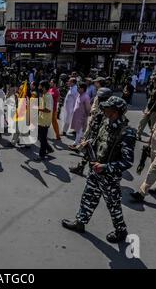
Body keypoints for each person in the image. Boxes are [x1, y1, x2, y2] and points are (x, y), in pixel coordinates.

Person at [62, 97, 136, 243]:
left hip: (109, 177)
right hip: (95, 170)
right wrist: (88, 144)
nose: (104, 109)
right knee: (88, 197)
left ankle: (121, 231)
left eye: (108, 107)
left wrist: (106, 167)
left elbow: (127, 162)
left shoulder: (127, 132)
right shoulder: (105, 122)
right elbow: (99, 142)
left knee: (113, 205)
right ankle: (80, 222)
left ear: (116, 111)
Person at [69, 88, 113, 176]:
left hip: (100, 138)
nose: (99, 100)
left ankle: (93, 174)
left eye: (101, 98)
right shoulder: (102, 107)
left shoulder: (109, 110)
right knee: (87, 152)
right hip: (93, 134)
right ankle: (81, 168)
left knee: (95, 157)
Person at [137, 76, 156, 141]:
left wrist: (150, 111)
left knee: (153, 126)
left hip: (154, 111)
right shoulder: (153, 88)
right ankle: (138, 135)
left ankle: (151, 139)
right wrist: (146, 108)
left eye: (153, 81)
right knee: (142, 122)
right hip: (148, 108)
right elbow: (150, 98)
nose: (152, 82)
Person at [69, 82, 91, 148]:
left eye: (79, 88)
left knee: (80, 131)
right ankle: (77, 144)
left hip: (82, 117)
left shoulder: (86, 97)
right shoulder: (80, 95)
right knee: (78, 130)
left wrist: (86, 116)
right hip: (77, 116)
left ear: (82, 89)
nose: (77, 89)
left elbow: (88, 108)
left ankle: (76, 144)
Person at [36, 80, 54, 161]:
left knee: (42, 139)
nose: (38, 87)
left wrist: (38, 109)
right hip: (41, 119)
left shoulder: (48, 96)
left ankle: (41, 155)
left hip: (45, 121)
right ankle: (49, 149)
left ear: (43, 87)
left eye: (39, 86)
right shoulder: (43, 95)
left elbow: (48, 109)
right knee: (41, 137)